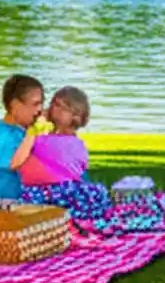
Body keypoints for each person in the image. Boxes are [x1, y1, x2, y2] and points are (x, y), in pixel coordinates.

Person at [15, 87, 111, 218]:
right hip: (68, 191)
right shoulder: (78, 144)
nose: (52, 107)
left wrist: (36, 125)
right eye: (53, 103)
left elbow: (22, 156)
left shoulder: (42, 141)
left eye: (59, 105)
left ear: (75, 115)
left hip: (48, 193)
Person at [0, 74, 45, 199]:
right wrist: (33, 132)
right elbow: (13, 162)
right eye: (35, 104)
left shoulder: (20, 131)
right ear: (15, 105)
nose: (40, 110)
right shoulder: (2, 134)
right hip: (3, 202)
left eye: (42, 103)